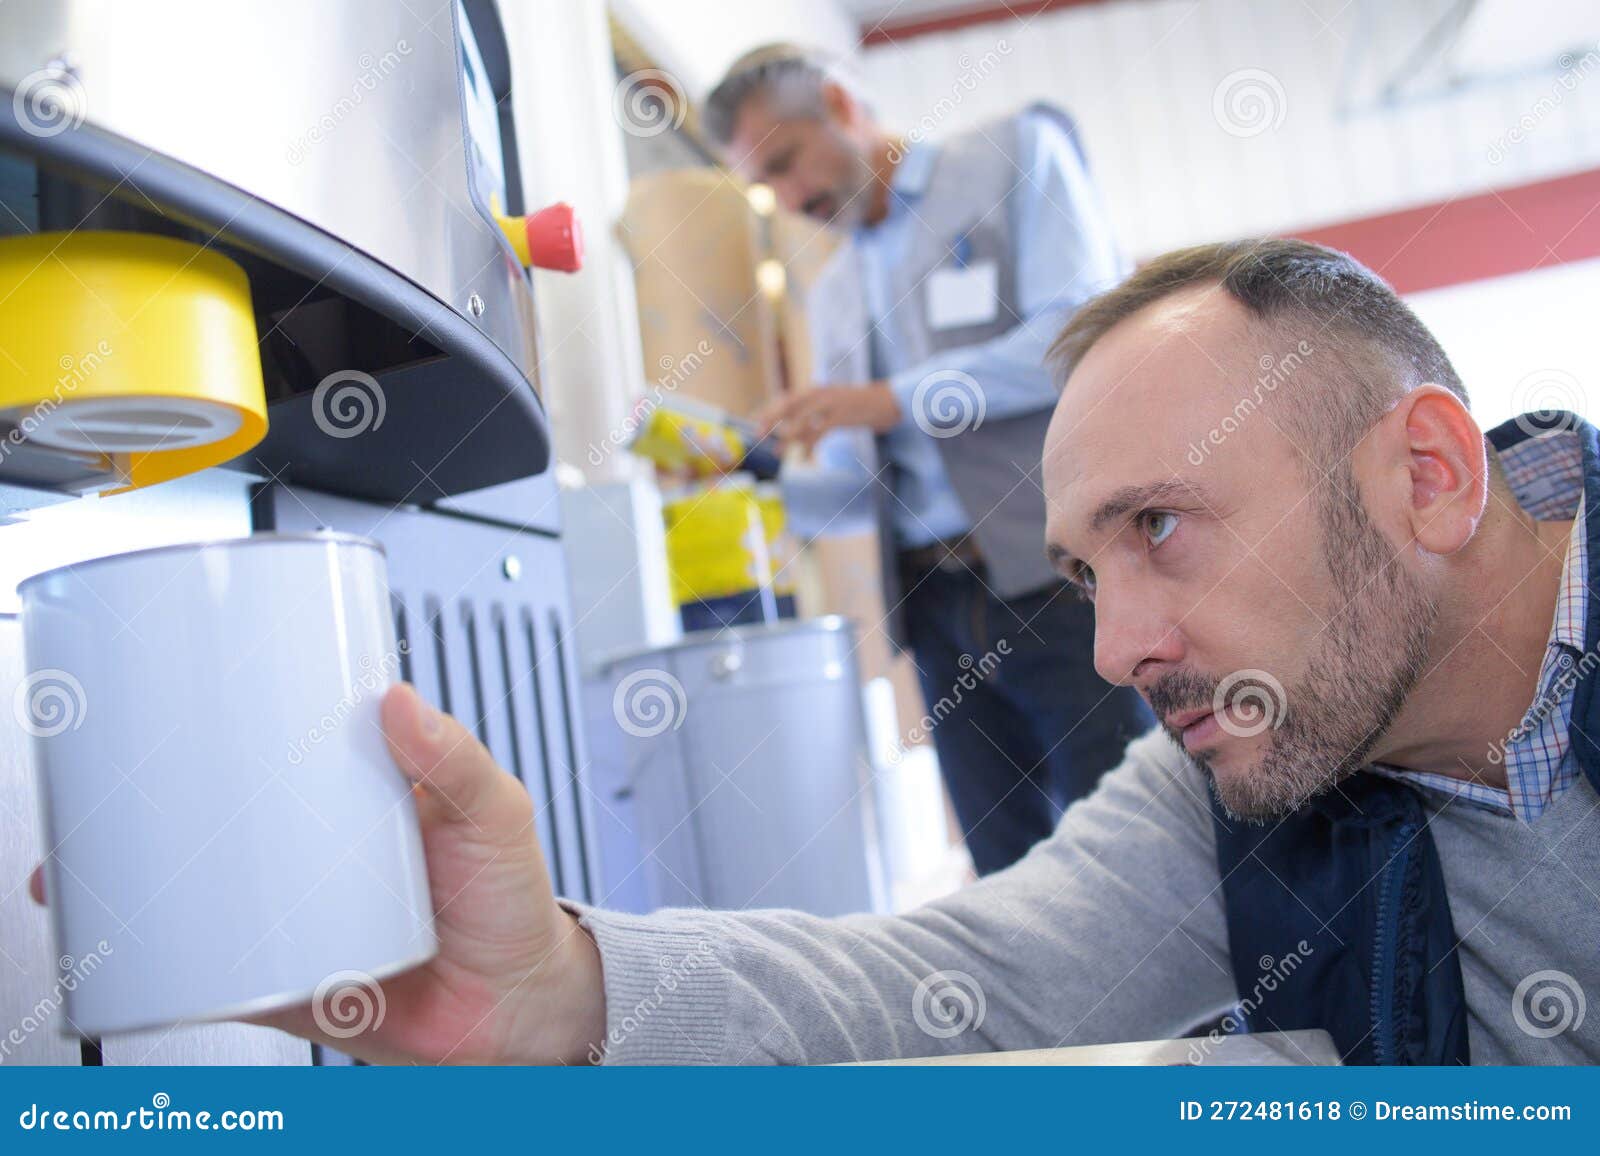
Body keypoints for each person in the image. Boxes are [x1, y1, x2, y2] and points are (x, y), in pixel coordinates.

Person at [30, 239, 1600, 1065]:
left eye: (1164, 527)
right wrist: (552, 986)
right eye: (1080, 567)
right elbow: (949, 988)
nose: (1118, 648)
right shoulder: (1233, 786)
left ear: (1431, 475)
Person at [702, 45, 1154, 873]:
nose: (789, 200)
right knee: (1007, 875)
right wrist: (753, 472)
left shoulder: (1012, 157)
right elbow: (856, 492)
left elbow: (1077, 336)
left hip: (1058, 581)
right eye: (764, 187)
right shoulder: (834, 289)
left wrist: (889, 399)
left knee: (1137, 857)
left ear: (841, 105)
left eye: (785, 164)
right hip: (934, 607)